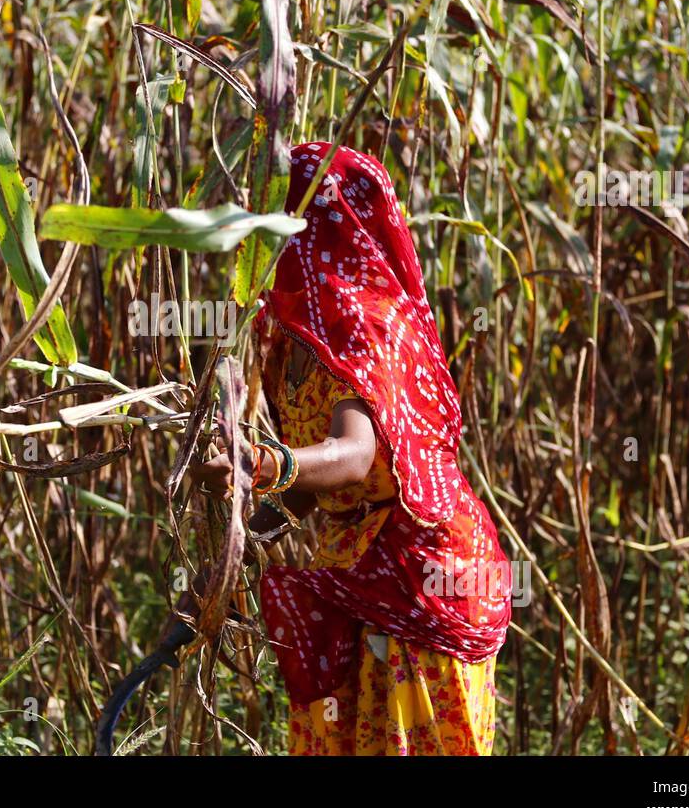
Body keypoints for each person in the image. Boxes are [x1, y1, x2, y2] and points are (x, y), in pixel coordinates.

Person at [191, 142, 512, 755]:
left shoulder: (363, 326)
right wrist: (233, 556)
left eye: (270, 220)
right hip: (358, 566)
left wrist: (258, 465)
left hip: (423, 578)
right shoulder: (288, 336)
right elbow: (310, 487)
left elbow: (353, 456)